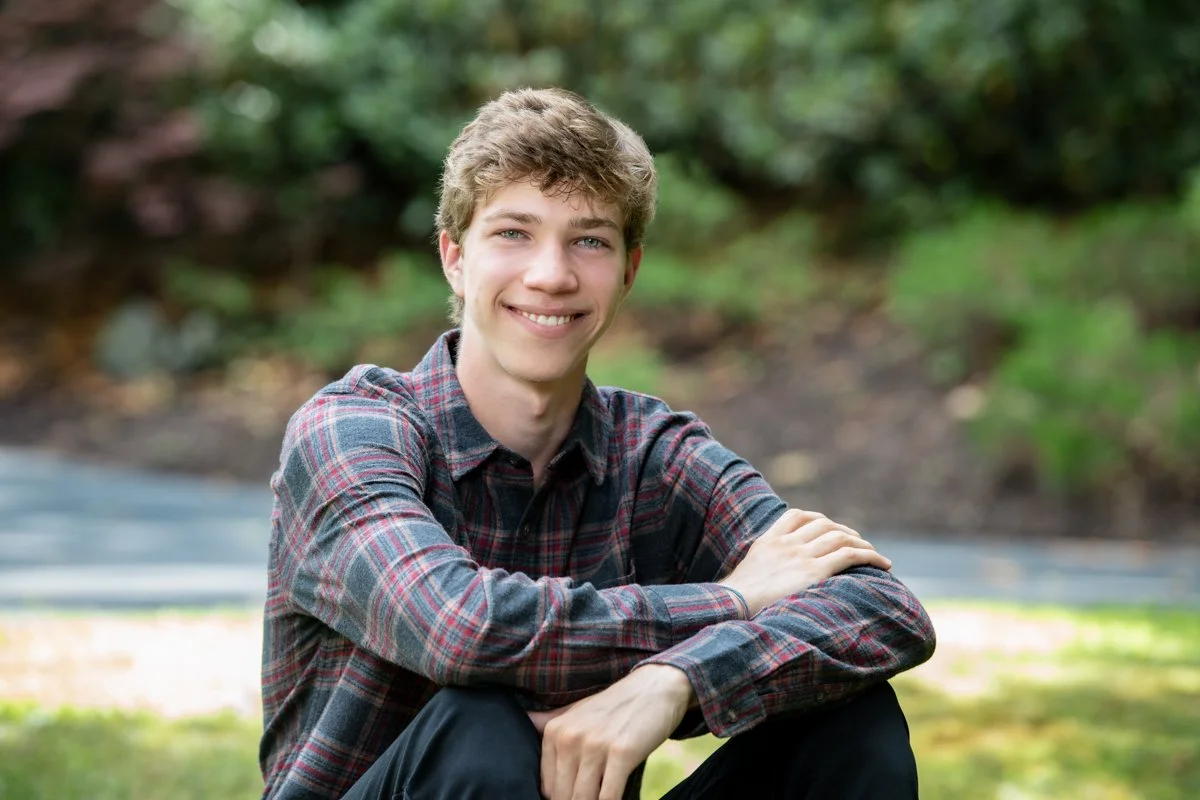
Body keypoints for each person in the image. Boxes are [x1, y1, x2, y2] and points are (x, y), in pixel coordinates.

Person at [259, 87, 937, 800]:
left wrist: (675, 680)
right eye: (513, 233)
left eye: (588, 240)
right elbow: (462, 627)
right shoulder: (351, 431)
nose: (551, 275)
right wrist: (733, 601)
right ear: (454, 258)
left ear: (627, 272)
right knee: (480, 723)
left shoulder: (652, 454)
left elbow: (882, 608)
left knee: (850, 724)